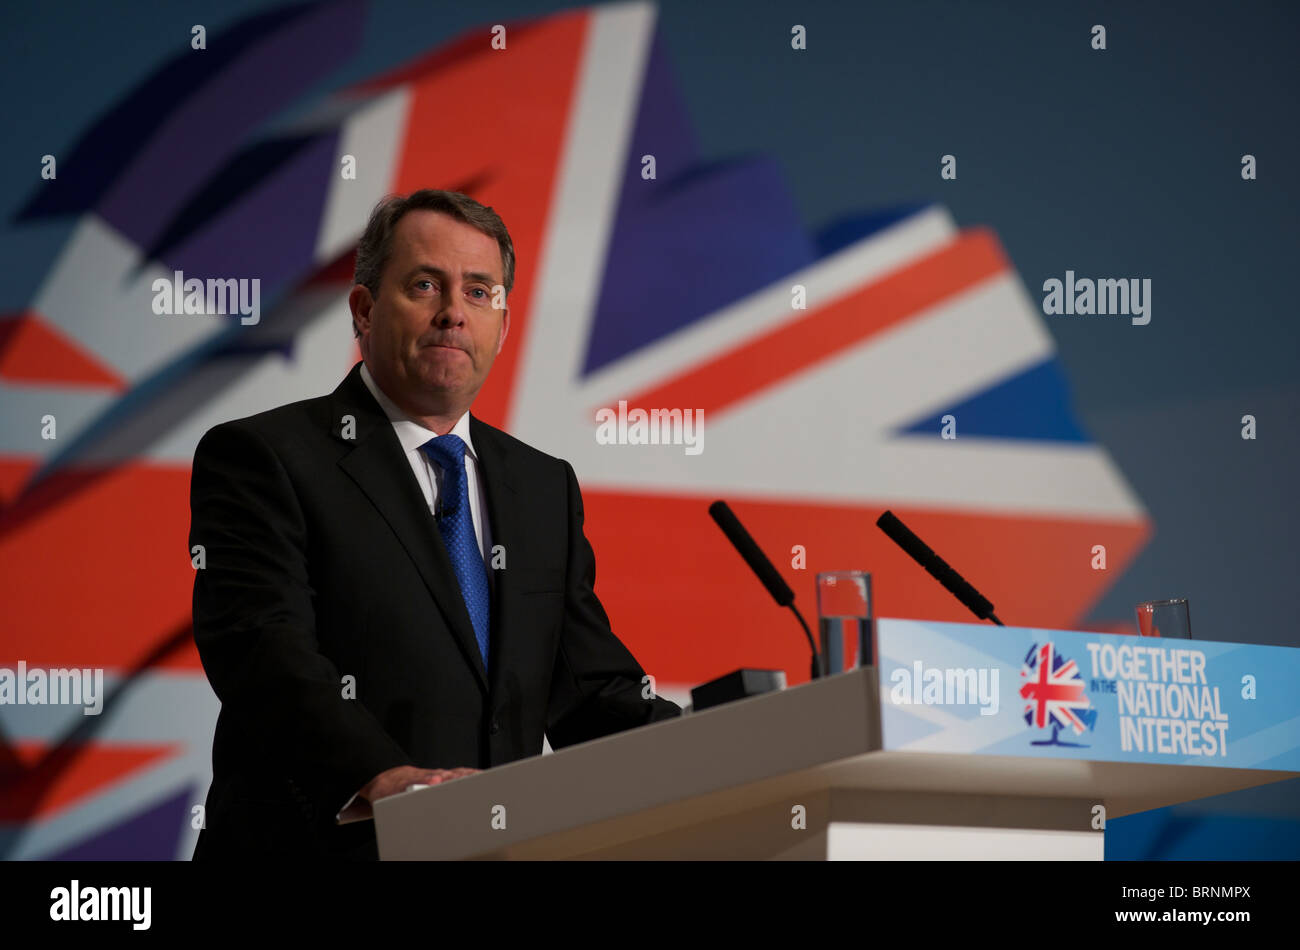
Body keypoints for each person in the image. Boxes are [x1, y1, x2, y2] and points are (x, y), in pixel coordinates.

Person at [189, 189, 681, 860]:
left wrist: (736, 745)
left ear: (503, 326)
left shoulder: (542, 487)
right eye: (426, 285)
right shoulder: (266, 457)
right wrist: (380, 777)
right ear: (363, 309)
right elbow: (263, 651)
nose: (454, 313)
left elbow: (591, 693)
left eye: (481, 293)